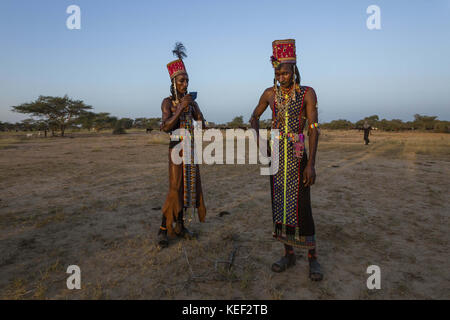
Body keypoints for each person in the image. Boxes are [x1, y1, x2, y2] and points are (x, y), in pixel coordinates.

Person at [250, 39, 323, 281]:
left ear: (294, 70)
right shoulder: (269, 94)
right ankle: (288, 253)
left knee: (302, 204)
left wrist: (311, 164)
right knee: (279, 205)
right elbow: (254, 118)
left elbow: (313, 129)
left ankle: (312, 257)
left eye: (285, 72)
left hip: (299, 151)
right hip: (275, 154)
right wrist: (260, 142)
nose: (281, 77)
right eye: (278, 73)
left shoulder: (307, 93)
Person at [157, 42, 207, 248]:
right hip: (176, 149)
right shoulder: (168, 102)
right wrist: (181, 109)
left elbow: (202, 123)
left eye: (186, 80)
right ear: (173, 82)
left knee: (189, 188)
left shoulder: (190, 102)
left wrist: (195, 108)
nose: (184, 84)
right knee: (175, 188)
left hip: (190, 150)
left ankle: (180, 226)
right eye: (181, 80)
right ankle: (162, 229)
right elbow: (166, 127)